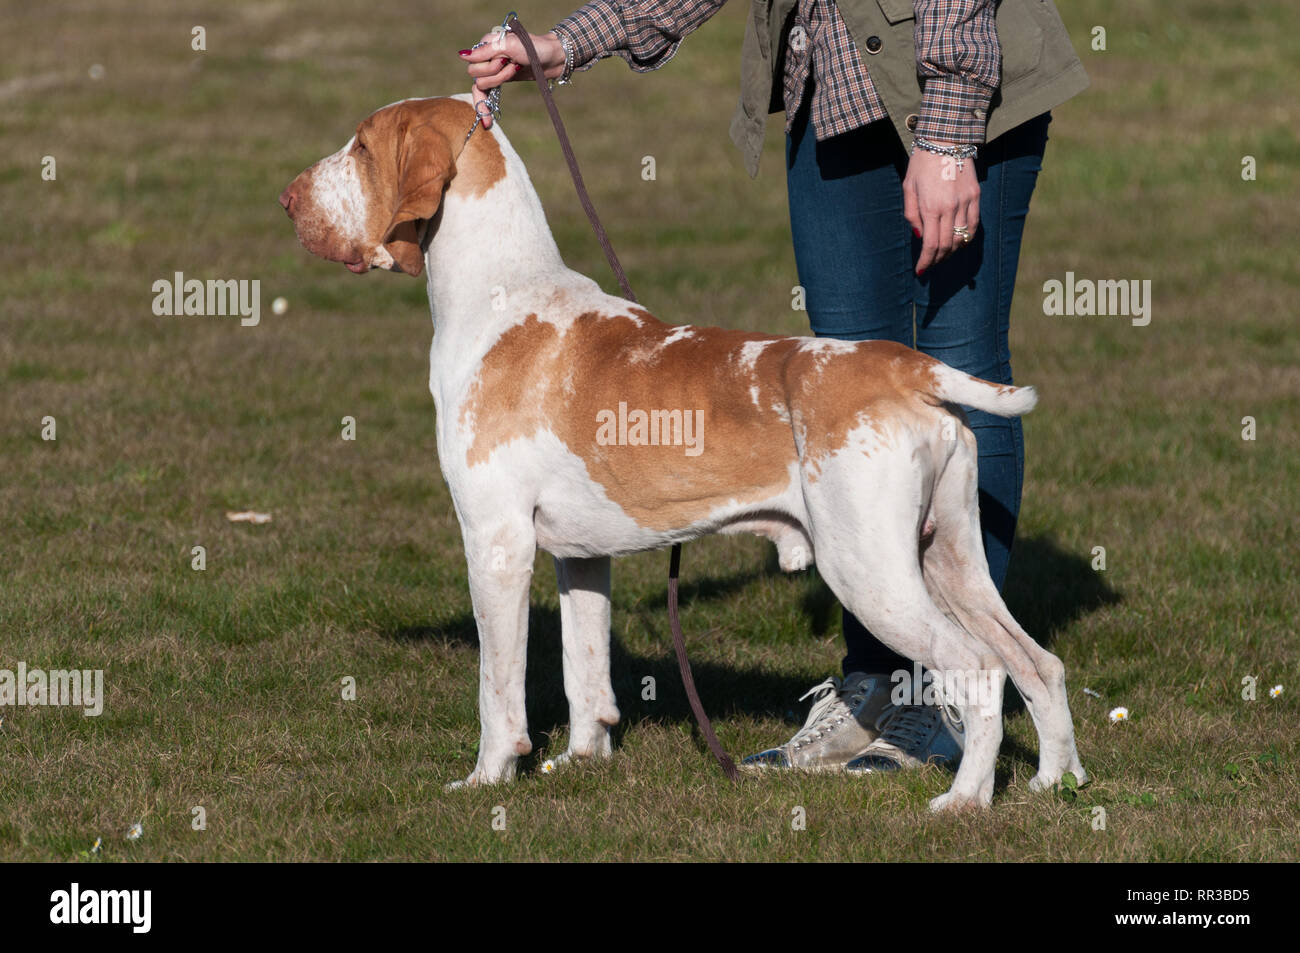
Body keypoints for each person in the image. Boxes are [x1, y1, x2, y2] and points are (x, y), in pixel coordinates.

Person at [459, 1, 1087, 776]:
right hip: (837, 96)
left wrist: (949, 134)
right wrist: (568, 45)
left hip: (968, 78)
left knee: (960, 365)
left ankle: (948, 701)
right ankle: (879, 690)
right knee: (845, 405)